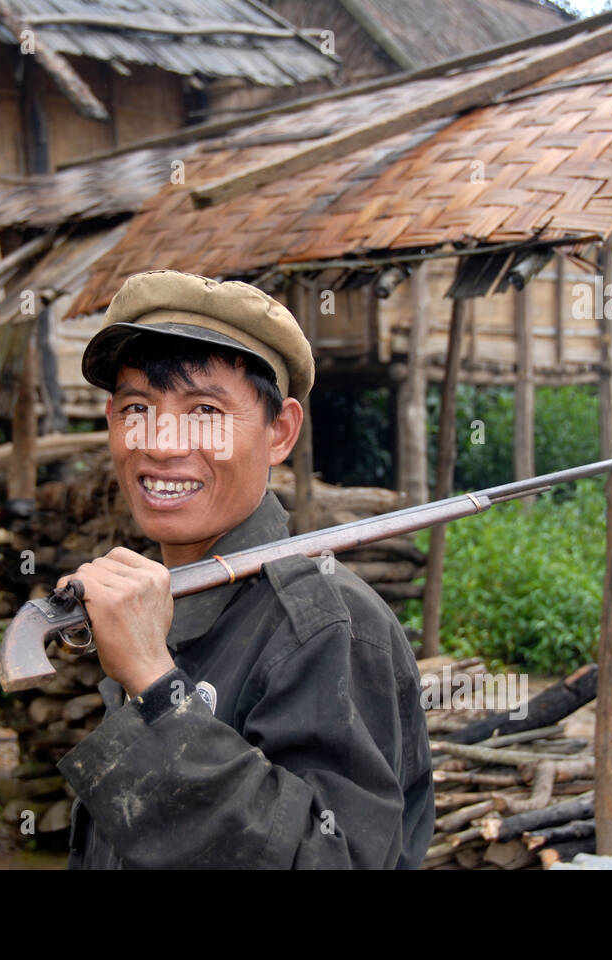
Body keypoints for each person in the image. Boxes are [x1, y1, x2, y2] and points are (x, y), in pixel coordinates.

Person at [54, 269, 434, 869]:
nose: (160, 442)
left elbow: (336, 859)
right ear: (110, 422)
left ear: (279, 430)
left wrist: (158, 689)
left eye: (205, 410)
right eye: (137, 407)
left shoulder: (329, 629)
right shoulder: (153, 604)